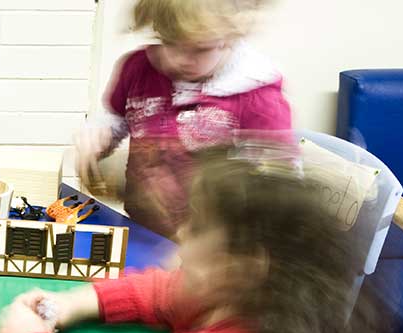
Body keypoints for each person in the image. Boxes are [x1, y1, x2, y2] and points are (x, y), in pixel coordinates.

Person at [0, 150, 372, 333]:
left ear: (243, 266)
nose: (183, 232)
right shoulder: (252, 304)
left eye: (199, 226)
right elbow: (163, 291)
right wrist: (72, 304)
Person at [76, 0, 293, 238]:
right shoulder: (138, 68)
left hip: (214, 243)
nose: (181, 59)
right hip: (144, 228)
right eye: (169, 42)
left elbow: (279, 180)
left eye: (200, 49)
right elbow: (117, 117)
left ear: (230, 37)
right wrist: (99, 135)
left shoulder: (256, 95)